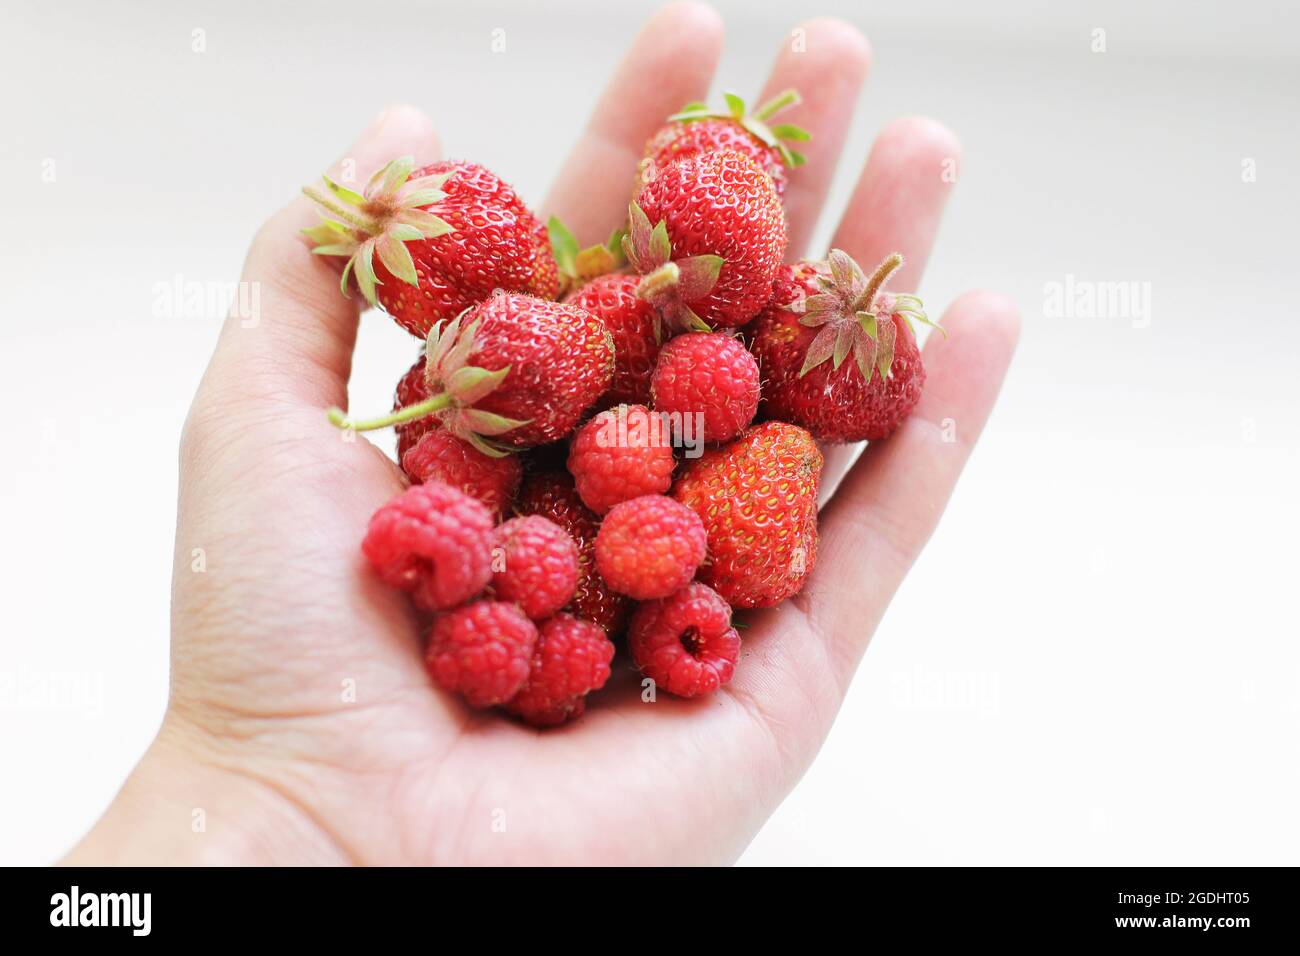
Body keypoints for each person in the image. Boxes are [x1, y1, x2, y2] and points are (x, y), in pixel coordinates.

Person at [64, 3, 1018, 866]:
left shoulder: (696, 355)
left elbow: (690, 399)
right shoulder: (523, 397)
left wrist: (265, 792)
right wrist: (275, 781)